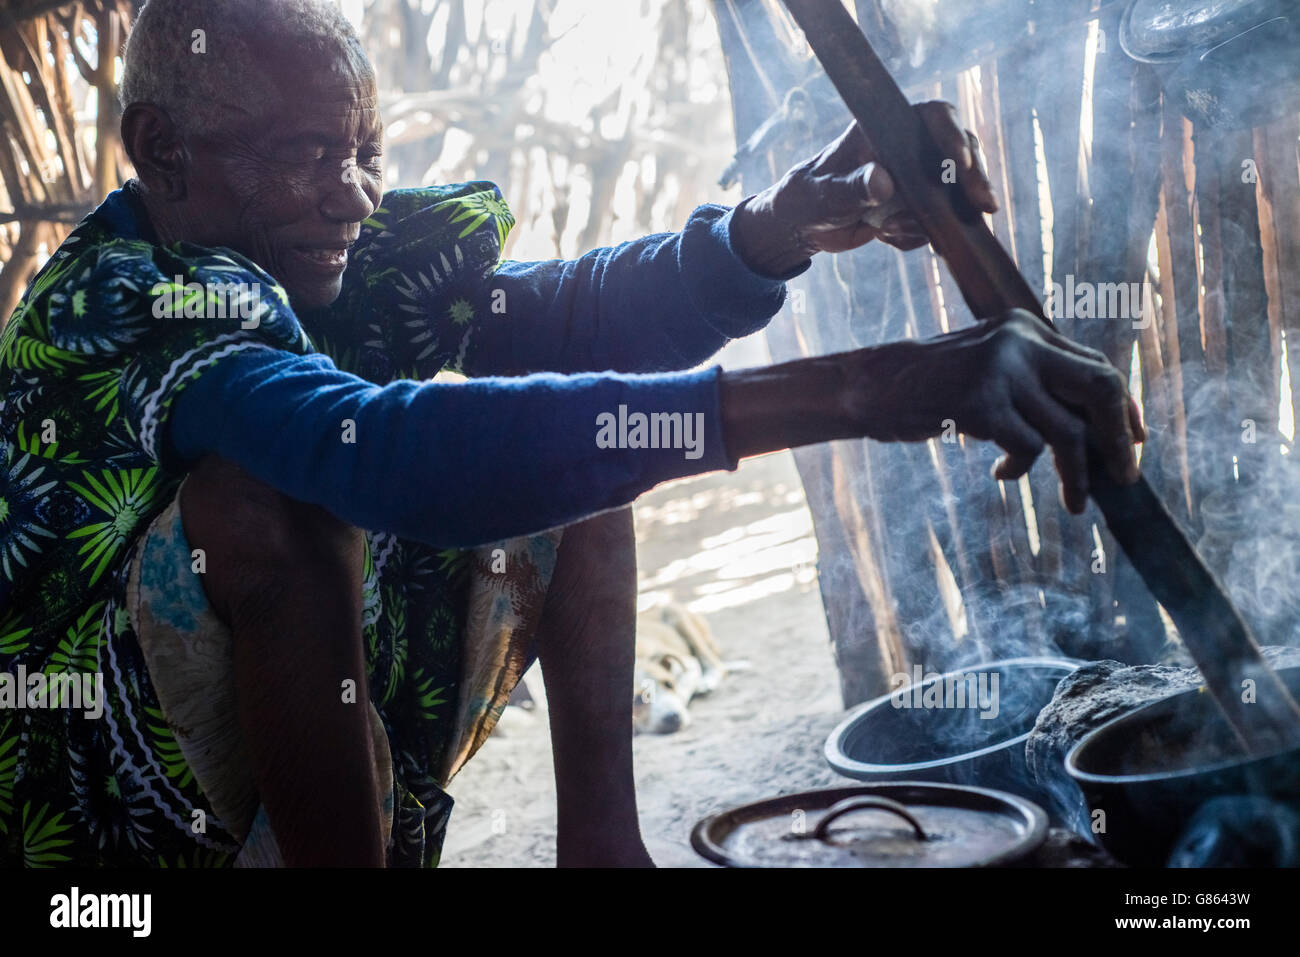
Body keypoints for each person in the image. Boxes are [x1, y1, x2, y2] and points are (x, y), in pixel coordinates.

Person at [0, 0, 1142, 867]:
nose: (350, 193)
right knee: (279, 499)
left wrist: (779, 226)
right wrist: (863, 390)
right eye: (307, 155)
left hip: (269, 756)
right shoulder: (124, 303)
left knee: (563, 420)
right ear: (163, 150)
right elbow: (382, 454)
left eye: (363, 152)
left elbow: (560, 312)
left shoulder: (322, 255)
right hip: (109, 832)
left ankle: (607, 855)